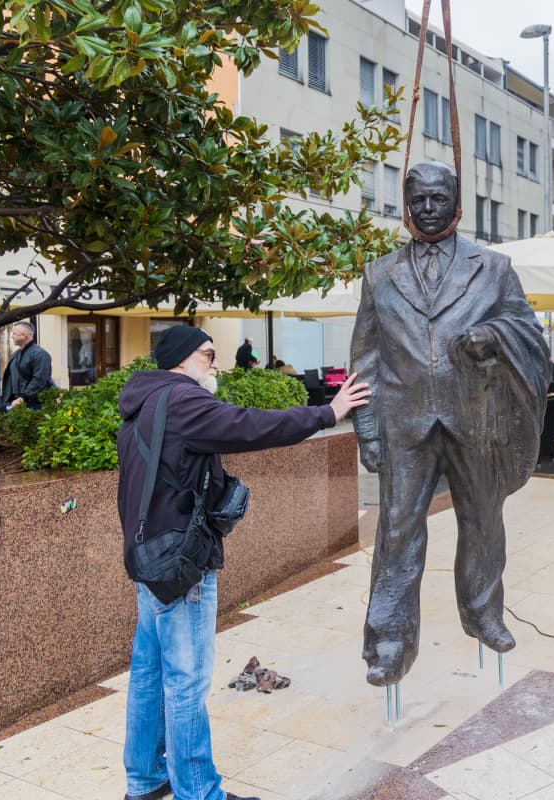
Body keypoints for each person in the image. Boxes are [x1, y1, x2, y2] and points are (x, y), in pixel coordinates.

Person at [116, 325, 370, 800]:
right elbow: (250, 425)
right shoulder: (183, 401)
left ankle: (146, 781)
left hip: (147, 558)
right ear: (182, 359)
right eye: (209, 355)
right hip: (180, 566)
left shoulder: (143, 403)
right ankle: (198, 792)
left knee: (149, 675)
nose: (216, 364)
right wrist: (328, 412)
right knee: (186, 683)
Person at [350, 161, 549, 686]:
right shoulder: (379, 273)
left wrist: (493, 337)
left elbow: (528, 333)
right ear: (406, 204)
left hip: (475, 416)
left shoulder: (496, 268)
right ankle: (390, 640)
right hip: (402, 422)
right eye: (419, 200)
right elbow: (364, 360)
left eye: (439, 199)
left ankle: (483, 612)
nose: (429, 209)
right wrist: (367, 430)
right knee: (396, 532)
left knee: (483, 520)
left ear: (457, 203)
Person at [1, 321, 53, 409]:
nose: (11, 336)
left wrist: (23, 397)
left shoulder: (40, 354)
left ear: (24, 335)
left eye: (14, 333)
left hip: (35, 404)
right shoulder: (15, 354)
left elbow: (39, 379)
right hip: (17, 403)